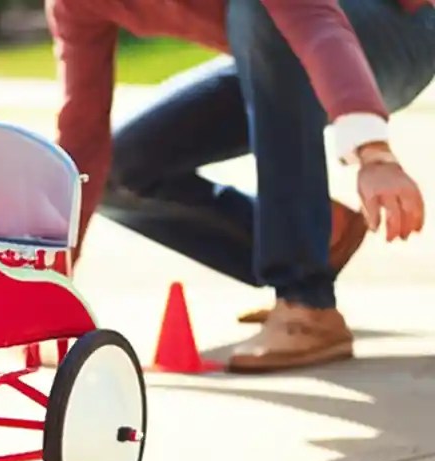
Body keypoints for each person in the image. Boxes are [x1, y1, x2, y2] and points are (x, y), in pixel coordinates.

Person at [46, 0, 435, 372]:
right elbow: (83, 136)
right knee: (121, 169)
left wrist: (374, 153)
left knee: (257, 11)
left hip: (393, 35)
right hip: (279, 49)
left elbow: (316, 24)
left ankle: (306, 303)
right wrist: (51, 291)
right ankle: (322, 236)